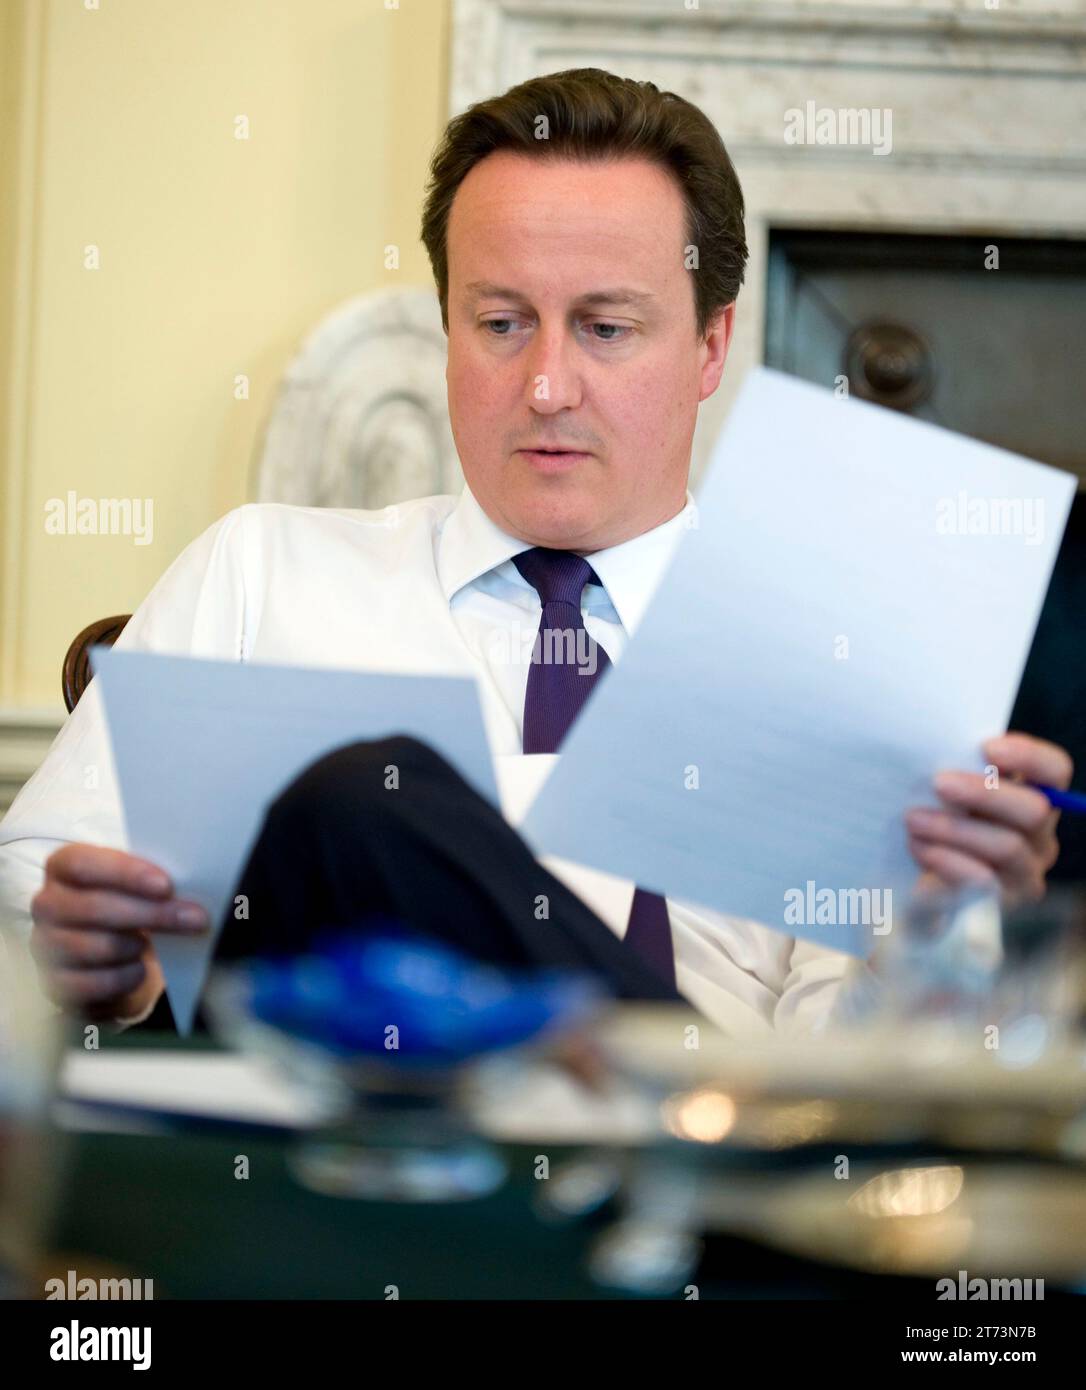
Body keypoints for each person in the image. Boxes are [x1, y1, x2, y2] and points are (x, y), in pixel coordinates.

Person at [0, 69, 1071, 1040]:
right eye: (502, 322)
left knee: (361, 801)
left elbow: (854, 1076)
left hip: (675, 1184)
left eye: (605, 328)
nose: (547, 385)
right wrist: (96, 959)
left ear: (708, 346)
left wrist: (941, 912)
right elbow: (32, 894)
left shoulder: (832, 647)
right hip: (329, 1173)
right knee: (356, 807)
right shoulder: (260, 570)